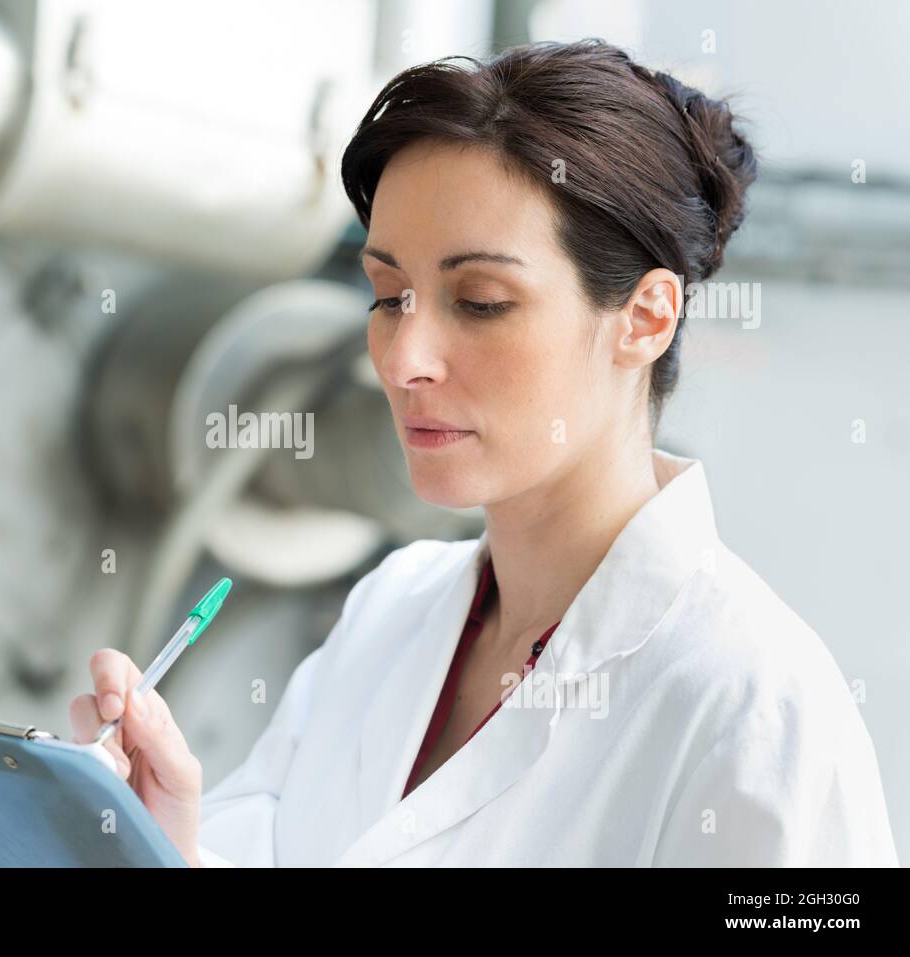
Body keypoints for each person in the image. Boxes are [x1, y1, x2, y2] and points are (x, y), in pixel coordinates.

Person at [68, 38, 899, 867]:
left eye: (481, 301)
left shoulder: (756, 707)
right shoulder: (389, 611)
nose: (401, 360)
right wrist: (158, 837)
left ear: (645, 318)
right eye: (390, 296)